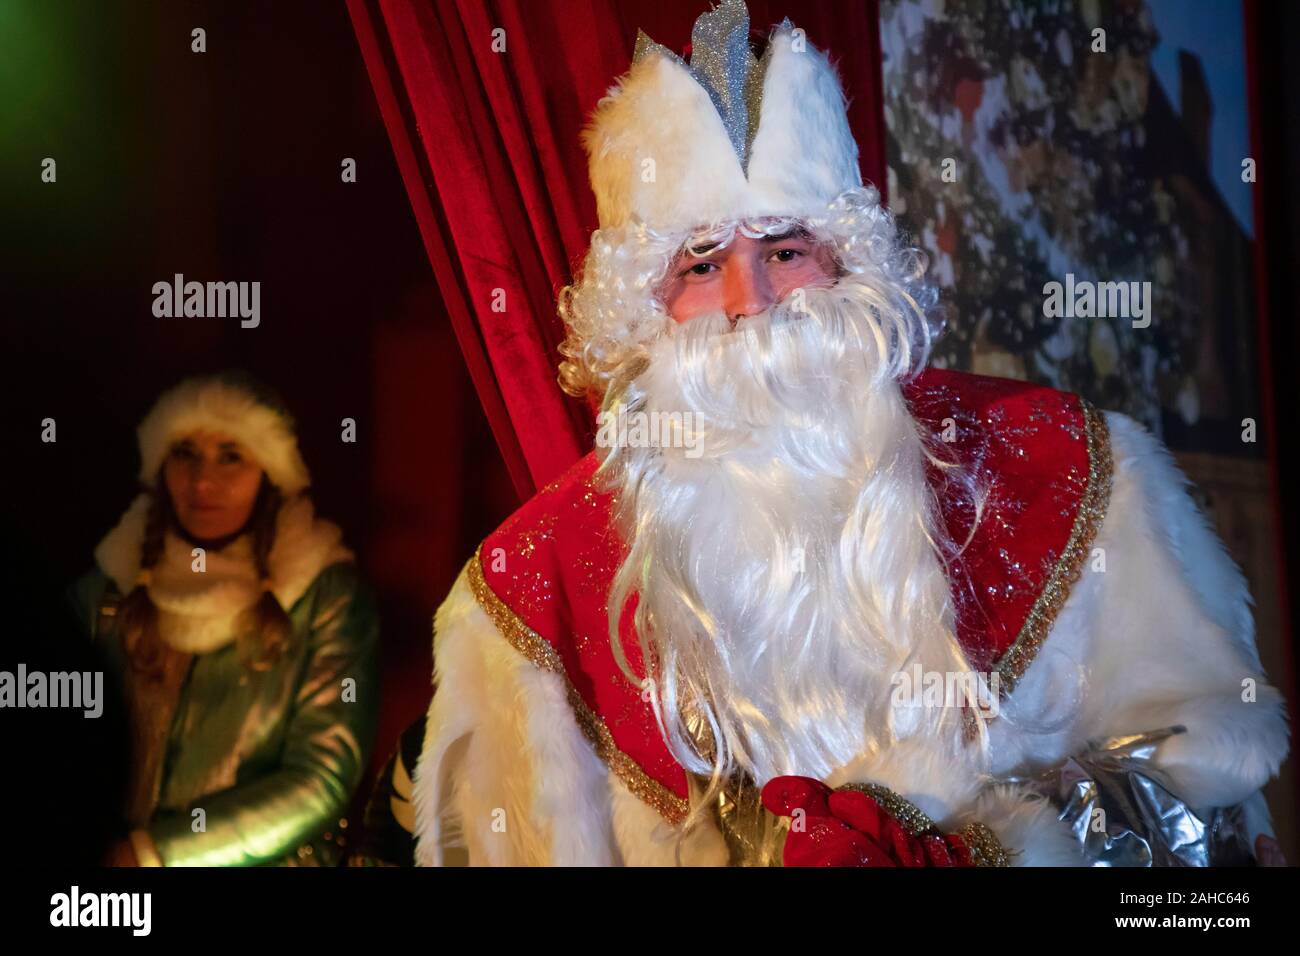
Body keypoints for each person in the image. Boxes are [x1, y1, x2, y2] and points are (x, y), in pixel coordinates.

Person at [409, 0, 1289, 866]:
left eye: (787, 251)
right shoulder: (531, 592)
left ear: (847, 267)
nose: (752, 304)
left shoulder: (1066, 469)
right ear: (641, 305)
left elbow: (1211, 819)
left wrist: (999, 849)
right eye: (704, 265)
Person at [68, 371, 380, 866]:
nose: (202, 482)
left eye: (231, 456)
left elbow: (321, 778)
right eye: (185, 453)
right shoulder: (111, 584)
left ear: (269, 470)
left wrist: (151, 855)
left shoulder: (323, 594)